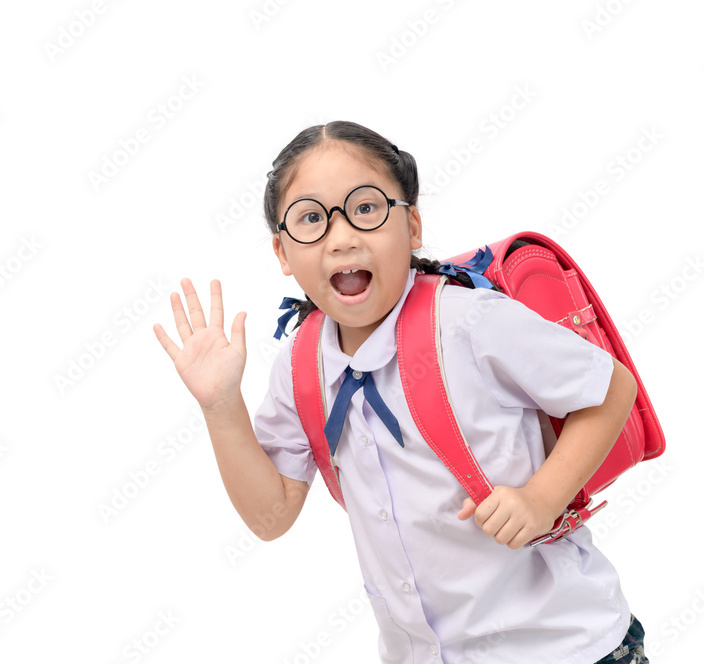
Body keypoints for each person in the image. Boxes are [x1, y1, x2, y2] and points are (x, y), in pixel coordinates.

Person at [153, 120, 648, 663]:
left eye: (365, 208)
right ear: (281, 252)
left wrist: (541, 498)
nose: (342, 237)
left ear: (412, 225)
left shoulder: (470, 322)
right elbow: (271, 517)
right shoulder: (301, 364)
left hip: (566, 646)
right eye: (311, 219)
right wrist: (221, 406)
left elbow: (610, 388)